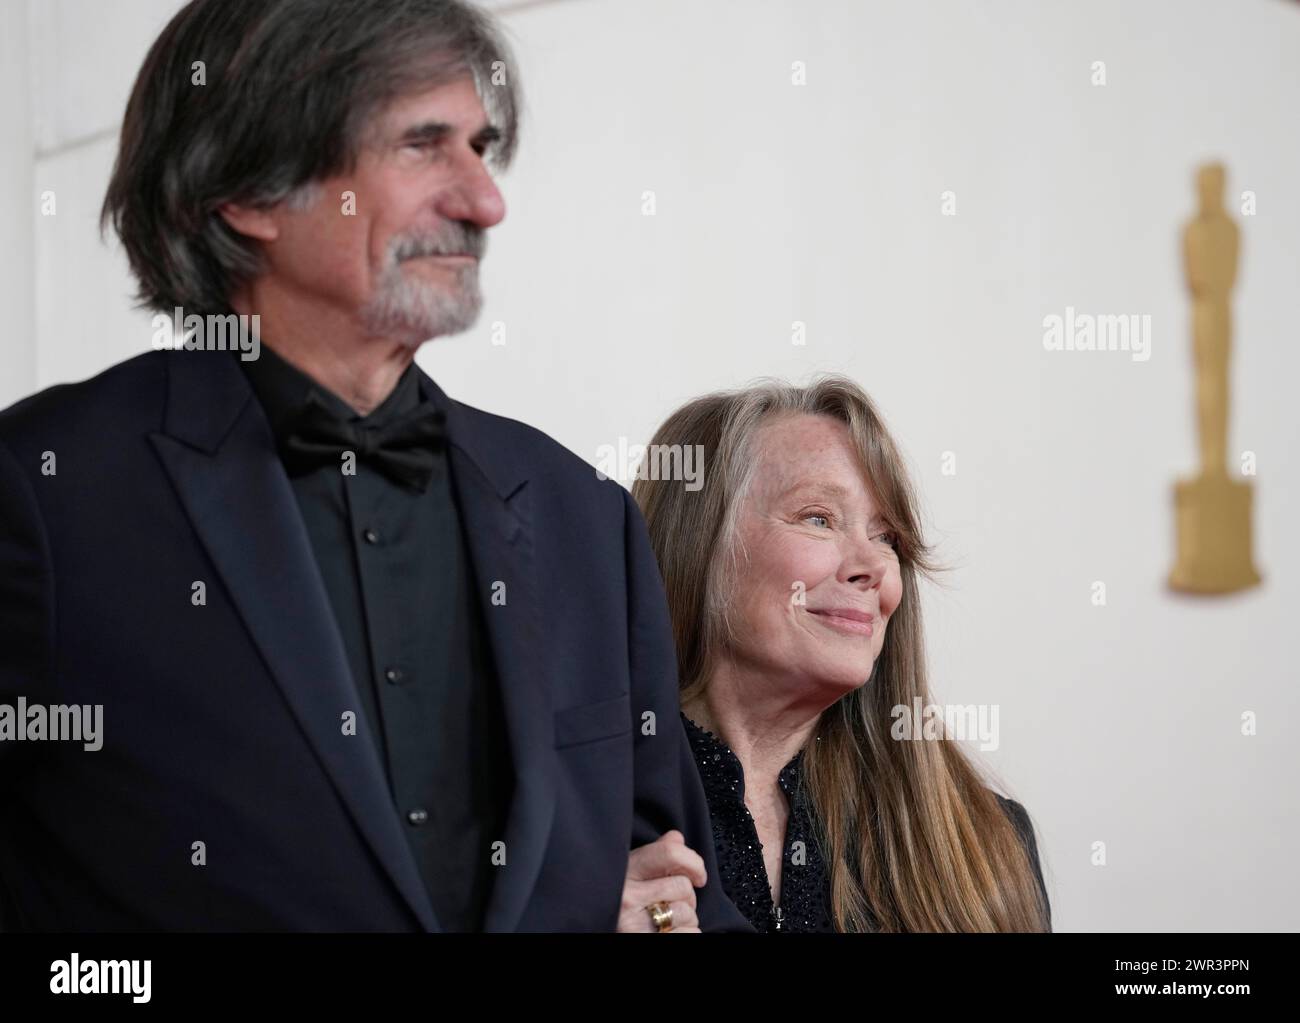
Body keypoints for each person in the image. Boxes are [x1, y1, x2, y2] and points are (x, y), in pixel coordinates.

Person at [0, 0, 748, 933]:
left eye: (481, 147)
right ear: (249, 192)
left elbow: (683, 892)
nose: (484, 201)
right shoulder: (43, 489)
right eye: (423, 145)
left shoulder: (580, 513)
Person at [629, 376, 1052, 932]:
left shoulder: (988, 843)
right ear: (698, 544)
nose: (872, 566)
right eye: (817, 518)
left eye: (886, 536)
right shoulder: (572, 810)